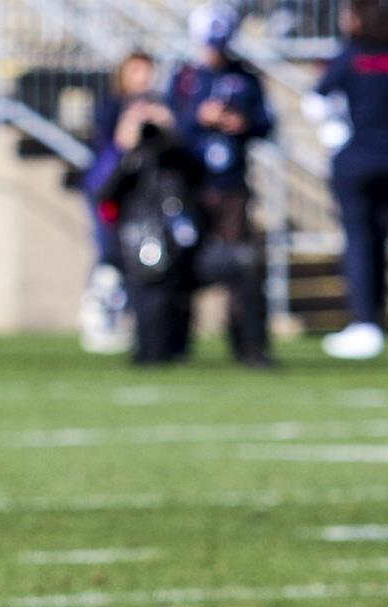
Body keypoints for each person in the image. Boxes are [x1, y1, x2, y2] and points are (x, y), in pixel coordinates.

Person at [169, 3, 276, 368]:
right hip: (190, 188)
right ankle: (174, 343)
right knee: (178, 262)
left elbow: (266, 124)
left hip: (231, 188)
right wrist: (198, 118)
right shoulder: (184, 78)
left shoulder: (246, 77)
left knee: (244, 266)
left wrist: (241, 123)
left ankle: (248, 346)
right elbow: (170, 129)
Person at [312, 0, 388, 360]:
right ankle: (377, 316)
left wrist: (335, 133)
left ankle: (364, 321)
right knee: (380, 239)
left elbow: (317, 98)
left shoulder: (349, 57)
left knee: (358, 241)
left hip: (356, 159)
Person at [99, 96, 207, 365]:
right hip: (139, 242)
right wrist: (123, 148)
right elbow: (103, 192)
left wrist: (174, 131)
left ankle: (173, 348)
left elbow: (199, 173)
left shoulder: (177, 156)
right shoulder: (130, 157)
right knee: (149, 282)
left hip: (179, 242)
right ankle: (150, 349)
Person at [79, 50, 159, 355]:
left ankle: (129, 321)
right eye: (137, 71)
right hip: (109, 191)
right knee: (108, 256)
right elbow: (110, 152)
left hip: (141, 196)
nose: (144, 78)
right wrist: (129, 129)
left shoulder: (157, 105)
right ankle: (99, 320)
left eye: (147, 71)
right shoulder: (112, 107)